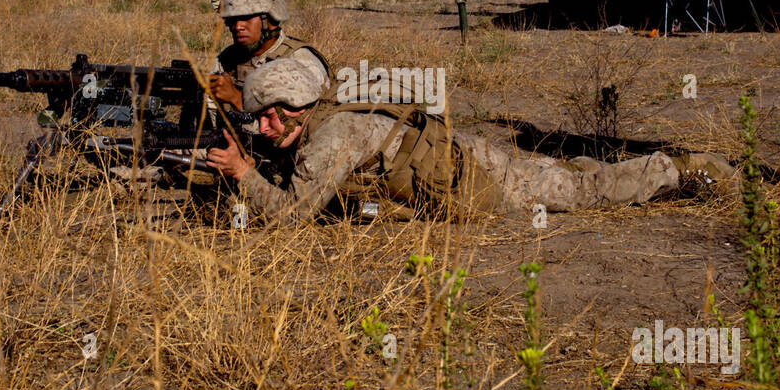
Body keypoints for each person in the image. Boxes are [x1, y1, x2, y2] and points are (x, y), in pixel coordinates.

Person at [205, 59, 733, 224]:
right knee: (554, 174)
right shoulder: (324, 118)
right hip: (466, 159)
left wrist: (242, 175)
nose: (266, 130)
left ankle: (680, 169)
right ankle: (576, 165)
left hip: (478, 178)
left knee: (574, 194)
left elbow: (294, 218)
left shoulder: (332, 135)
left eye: (270, 120)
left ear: (292, 109)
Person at [204, 0, 329, 114]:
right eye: (232, 20)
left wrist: (236, 99)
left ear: (269, 20)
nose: (238, 26)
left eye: (246, 18)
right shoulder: (227, 59)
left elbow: (294, 130)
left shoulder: (300, 62)